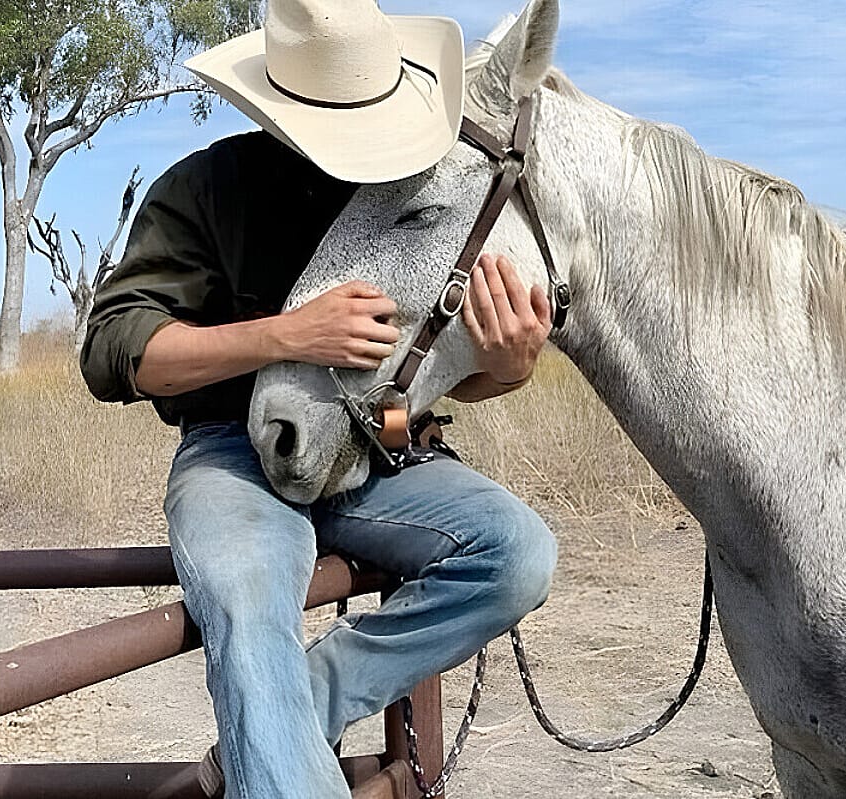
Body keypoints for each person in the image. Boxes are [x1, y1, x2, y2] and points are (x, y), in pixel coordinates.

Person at [79, 1, 558, 797]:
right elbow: (111, 354)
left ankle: (284, 721)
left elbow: (432, 365)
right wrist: (285, 335)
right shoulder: (206, 189)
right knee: (246, 598)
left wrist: (508, 368)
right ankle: (277, 737)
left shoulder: (414, 185)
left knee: (518, 553)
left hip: (381, 441)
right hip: (234, 452)